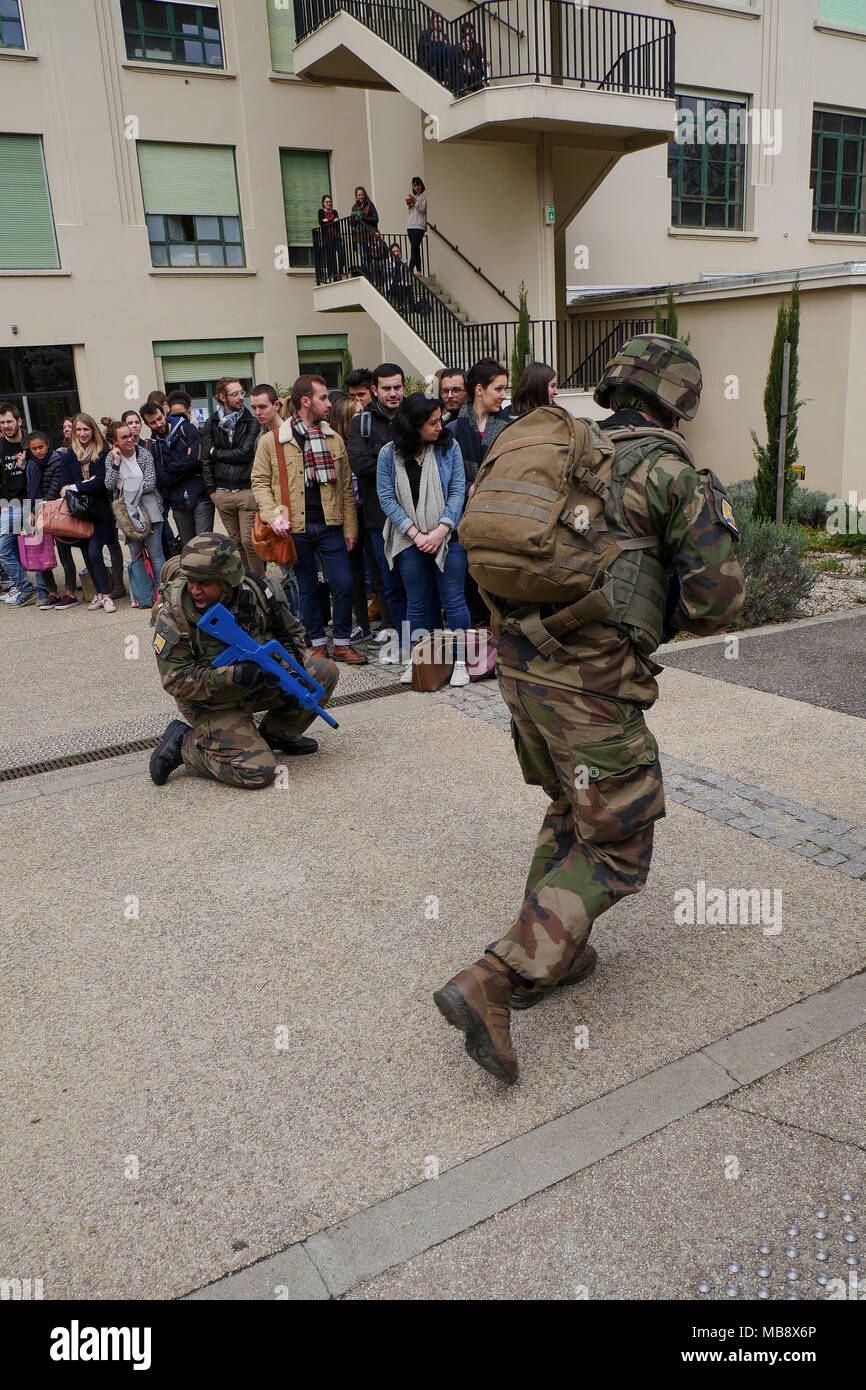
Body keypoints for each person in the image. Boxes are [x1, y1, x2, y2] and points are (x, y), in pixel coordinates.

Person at [433, 334, 746, 1084]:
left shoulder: (555, 448)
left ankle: (554, 958)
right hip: (591, 683)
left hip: (520, 667)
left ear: (612, 391)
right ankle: (497, 979)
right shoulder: (671, 473)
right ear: (679, 400)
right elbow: (719, 600)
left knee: (571, 809)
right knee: (619, 842)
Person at [149, 534, 339, 790]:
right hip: (211, 703)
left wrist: (285, 666)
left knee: (323, 672)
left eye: (204, 583)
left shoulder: (260, 592)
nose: (194, 589)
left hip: (259, 682)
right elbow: (176, 681)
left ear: (228, 581)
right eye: (191, 581)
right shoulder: (175, 616)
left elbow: (293, 634)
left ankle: (276, 735)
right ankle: (185, 742)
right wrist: (232, 675)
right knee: (258, 772)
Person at [251, 374, 366, 664]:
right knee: (306, 587)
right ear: (306, 401)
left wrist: (350, 527)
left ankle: (341, 642)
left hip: (331, 525)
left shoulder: (333, 438)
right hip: (294, 527)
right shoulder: (273, 441)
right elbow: (260, 482)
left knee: (342, 583)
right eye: (323, 397)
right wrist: (272, 515)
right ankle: (317, 642)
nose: (329, 403)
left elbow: (345, 489)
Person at [377, 392, 471, 685]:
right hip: (409, 540)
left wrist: (441, 530)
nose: (439, 426)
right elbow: (386, 498)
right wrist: (416, 534)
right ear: (414, 424)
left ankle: (460, 661)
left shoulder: (449, 448)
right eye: (431, 422)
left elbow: (457, 491)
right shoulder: (388, 454)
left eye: (439, 419)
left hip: (448, 537)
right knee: (416, 603)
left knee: (454, 600)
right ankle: (419, 659)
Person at [348, 363, 410, 655]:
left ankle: (420, 637)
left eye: (397, 387)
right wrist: (400, 460)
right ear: (375, 390)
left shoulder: (414, 416)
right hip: (377, 518)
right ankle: (399, 634)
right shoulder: (361, 423)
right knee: (389, 584)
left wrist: (380, 459)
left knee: (417, 583)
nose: (393, 393)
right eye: (386, 388)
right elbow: (359, 465)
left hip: (416, 515)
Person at [201, 378, 263, 579]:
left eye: (241, 392)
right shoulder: (211, 422)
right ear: (222, 397)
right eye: (235, 393)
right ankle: (245, 581)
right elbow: (205, 459)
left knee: (249, 541)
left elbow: (245, 453)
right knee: (235, 542)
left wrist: (216, 453)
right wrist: (212, 491)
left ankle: (260, 583)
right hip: (222, 493)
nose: (240, 397)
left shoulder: (250, 420)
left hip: (246, 490)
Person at [250, 382, 301, 617]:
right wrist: (273, 515)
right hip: (280, 516)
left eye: (262, 406)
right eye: (254, 407)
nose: (258, 412)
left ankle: (308, 621)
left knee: (302, 576)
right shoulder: (262, 436)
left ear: (276, 405)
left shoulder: (293, 433)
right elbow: (260, 480)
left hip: (299, 514)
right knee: (291, 574)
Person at [58, 413, 116, 612]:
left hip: (100, 512)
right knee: (86, 554)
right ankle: (99, 594)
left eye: (86, 429)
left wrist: (76, 486)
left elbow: (101, 482)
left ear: (93, 430)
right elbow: (63, 486)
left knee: (94, 551)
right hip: (79, 514)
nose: (82, 434)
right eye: (79, 430)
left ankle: (107, 596)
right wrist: (83, 484)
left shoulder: (103, 453)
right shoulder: (68, 457)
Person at [330, 392, 371, 643]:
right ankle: (362, 622)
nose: (362, 417)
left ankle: (384, 622)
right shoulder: (335, 448)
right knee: (352, 572)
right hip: (347, 514)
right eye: (356, 414)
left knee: (377, 571)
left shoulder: (366, 442)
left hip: (369, 511)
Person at [103, 419, 165, 584]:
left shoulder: (144, 454)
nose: (130, 439)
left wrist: (124, 486)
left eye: (130, 435)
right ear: (115, 441)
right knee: (135, 555)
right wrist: (116, 464)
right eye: (124, 437)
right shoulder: (111, 458)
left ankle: (163, 591)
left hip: (150, 509)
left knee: (156, 554)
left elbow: (151, 483)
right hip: (127, 514)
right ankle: (143, 594)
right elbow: (109, 485)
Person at [143, 399, 210, 545]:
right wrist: (186, 462)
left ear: (165, 413)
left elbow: (196, 461)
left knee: (204, 546)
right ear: (147, 425)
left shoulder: (187, 429)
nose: (158, 424)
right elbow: (163, 479)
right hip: (178, 501)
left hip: (199, 496)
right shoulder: (155, 448)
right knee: (188, 548)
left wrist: (170, 467)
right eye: (153, 422)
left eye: (159, 418)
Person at [447, 357, 513, 487]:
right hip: (465, 505)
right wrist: (468, 490)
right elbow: (447, 478)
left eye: (504, 389)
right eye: (498, 389)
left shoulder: (509, 428)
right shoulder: (453, 430)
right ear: (479, 390)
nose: (504, 395)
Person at [25, 430, 73, 609]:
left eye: (41, 447)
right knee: (42, 553)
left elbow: (55, 487)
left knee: (64, 553)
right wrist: (31, 511)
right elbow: (30, 490)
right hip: (39, 513)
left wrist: (40, 510)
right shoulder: (32, 465)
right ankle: (52, 592)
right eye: (34, 448)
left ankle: (69, 592)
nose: (38, 451)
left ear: (47, 445)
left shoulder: (58, 460)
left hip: (56, 513)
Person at [0, 402, 37, 605]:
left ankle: (44, 591)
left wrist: (24, 467)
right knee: (5, 550)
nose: (6, 426)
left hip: (33, 503)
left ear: (19, 421)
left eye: (9, 421)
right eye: (2, 422)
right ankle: (25, 588)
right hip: (11, 504)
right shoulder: (0, 445)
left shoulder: (31, 443)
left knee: (37, 548)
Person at [417, 12, 452, 84]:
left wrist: (443, 43)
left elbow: (448, 48)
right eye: (437, 21)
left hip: (441, 61)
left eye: (440, 22)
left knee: (448, 47)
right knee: (436, 49)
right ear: (431, 22)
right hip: (427, 59)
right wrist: (433, 42)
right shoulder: (425, 33)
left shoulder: (444, 36)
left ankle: (447, 70)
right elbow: (422, 48)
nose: (439, 24)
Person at [350, 185, 379, 272]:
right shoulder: (354, 207)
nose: (361, 196)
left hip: (368, 233)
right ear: (356, 196)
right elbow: (351, 223)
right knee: (362, 255)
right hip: (358, 235)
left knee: (369, 255)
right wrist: (355, 219)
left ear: (365, 195)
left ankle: (369, 272)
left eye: (362, 194)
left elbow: (375, 219)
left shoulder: (369, 205)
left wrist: (363, 218)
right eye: (359, 195)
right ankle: (366, 272)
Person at [317, 193, 345, 280]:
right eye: (327, 202)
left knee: (342, 254)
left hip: (336, 236)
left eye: (330, 201)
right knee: (331, 256)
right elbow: (321, 222)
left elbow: (336, 223)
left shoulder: (334, 212)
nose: (329, 203)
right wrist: (332, 220)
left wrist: (327, 221)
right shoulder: (321, 211)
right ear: (323, 203)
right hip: (327, 237)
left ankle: (340, 272)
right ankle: (335, 274)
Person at [406, 177, 427, 276]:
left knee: (414, 247)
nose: (416, 187)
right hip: (411, 225)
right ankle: (419, 270)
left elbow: (422, 209)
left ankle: (409, 269)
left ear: (421, 185)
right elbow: (411, 212)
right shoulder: (415, 197)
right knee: (415, 248)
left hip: (419, 226)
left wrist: (415, 201)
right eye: (414, 185)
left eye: (418, 185)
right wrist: (410, 204)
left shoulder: (424, 196)